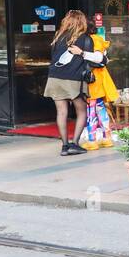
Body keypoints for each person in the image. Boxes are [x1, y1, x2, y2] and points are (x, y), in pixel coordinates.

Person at [45, 10, 104, 156]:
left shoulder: (58, 37)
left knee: (61, 112)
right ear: (82, 21)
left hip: (54, 77)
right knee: (82, 111)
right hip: (74, 79)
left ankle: (64, 146)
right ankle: (74, 144)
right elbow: (92, 60)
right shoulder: (85, 39)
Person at [81, 31, 119, 150]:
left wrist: (82, 53)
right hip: (99, 79)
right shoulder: (98, 39)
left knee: (91, 111)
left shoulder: (91, 40)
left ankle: (92, 140)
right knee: (100, 109)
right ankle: (106, 138)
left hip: (93, 81)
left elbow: (99, 58)